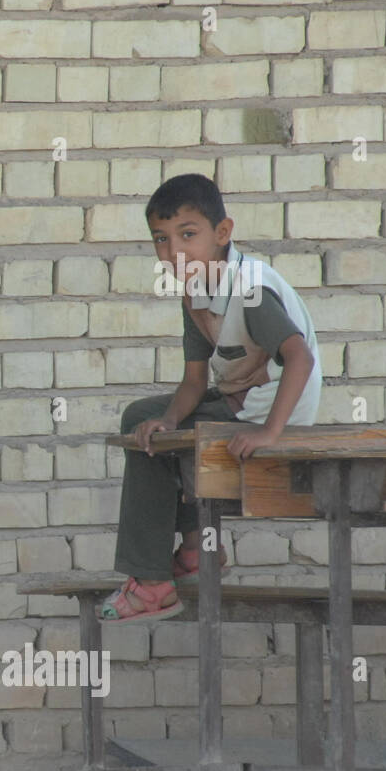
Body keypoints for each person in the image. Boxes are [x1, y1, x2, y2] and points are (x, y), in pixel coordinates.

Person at [105, 173, 322, 623]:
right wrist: (166, 420)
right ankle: (192, 552)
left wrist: (270, 432)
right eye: (160, 240)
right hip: (237, 402)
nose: (173, 252)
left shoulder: (249, 289)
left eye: (188, 235)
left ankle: (151, 584)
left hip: (271, 411)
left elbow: (299, 359)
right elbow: (192, 382)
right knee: (144, 419)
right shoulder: (195, 291)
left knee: (156, 435)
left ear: (223, 233)